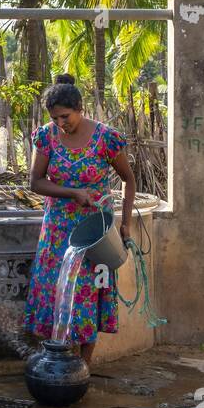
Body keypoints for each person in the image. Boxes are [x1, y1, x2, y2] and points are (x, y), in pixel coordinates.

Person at [22, 74, 136, 365]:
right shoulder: (46, 136)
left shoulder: (106, 138)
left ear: (80, 108)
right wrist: (72, 192)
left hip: (96, 232)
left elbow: (129, 180)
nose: (61, 123)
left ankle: (82, 364)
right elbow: (35, 182)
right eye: (56, 118)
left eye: (66, 116)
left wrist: (125, 224)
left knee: (89, 292)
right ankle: (57, 359)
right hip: (58, 230)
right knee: (54, 289)